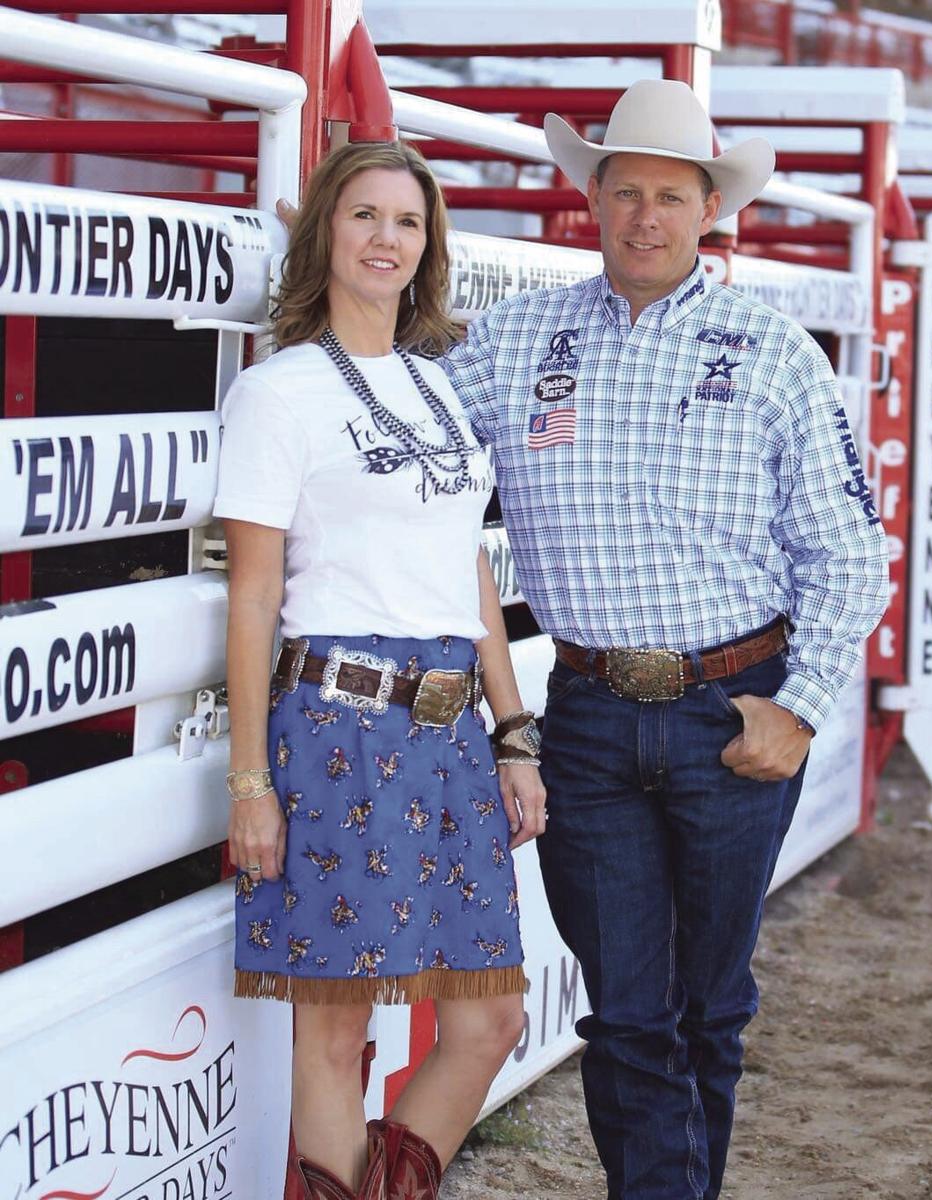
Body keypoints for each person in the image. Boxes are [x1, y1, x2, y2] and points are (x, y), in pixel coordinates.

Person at [441, 80, 890, 1198]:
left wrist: (803, 705)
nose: (645, 216)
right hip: (588, 717)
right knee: (630, 1013)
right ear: (594, 198)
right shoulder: (513, 343)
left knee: (708, 1008)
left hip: (732, 708)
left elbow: (851, 549)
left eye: (671, 197)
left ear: (709, 211)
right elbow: (413, 458)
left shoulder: (774, 351)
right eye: (625, 190)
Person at [213, 140, 546, 1200]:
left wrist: (512, 731)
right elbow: (255, 598)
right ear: (326, 234)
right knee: (338, 1031)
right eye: (363, 216)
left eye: (406, 223)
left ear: (426, 247)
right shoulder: (281, 394)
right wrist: (252, 780)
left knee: (490, 1016)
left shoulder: (441, 389)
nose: (385, 240)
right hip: (338, 726)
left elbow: (467, 577)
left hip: (452, 734)